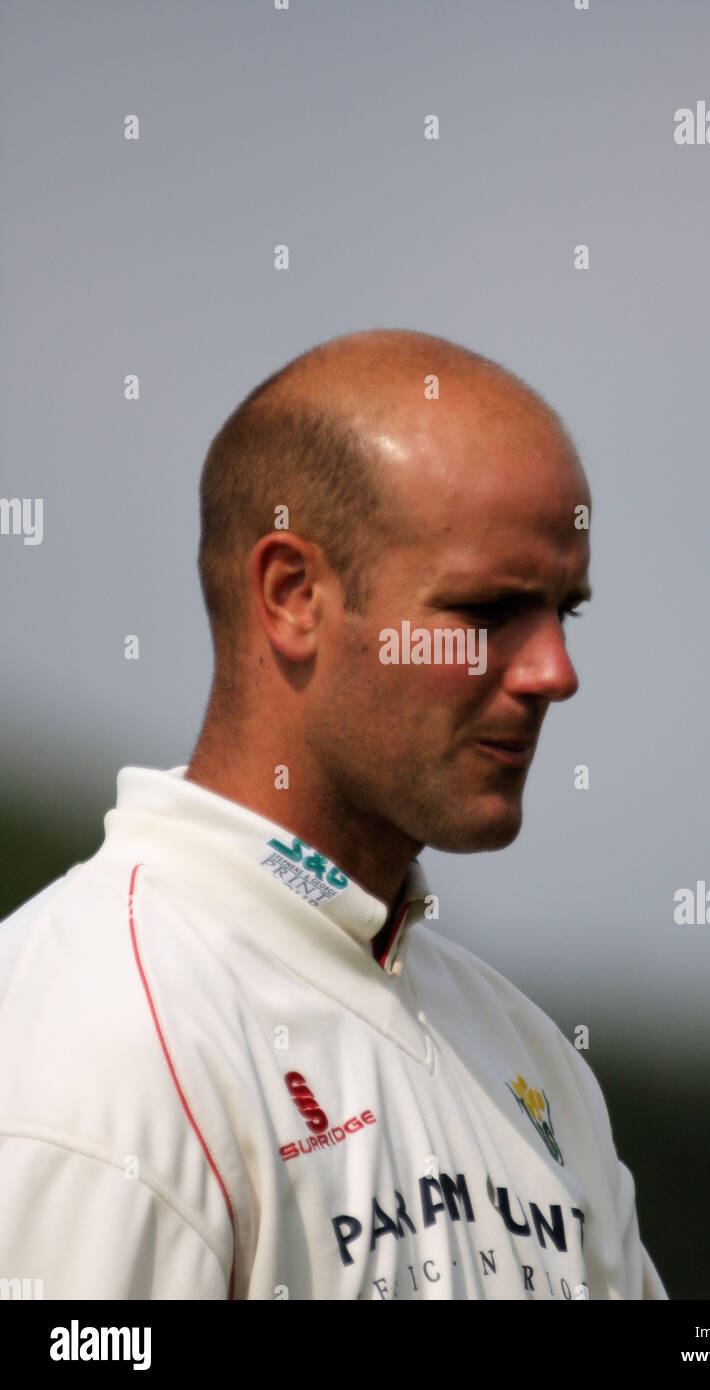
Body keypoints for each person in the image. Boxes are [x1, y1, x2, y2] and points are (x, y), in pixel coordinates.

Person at [0, 328, 666, 1300]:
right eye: (486, 612)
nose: (552, 673)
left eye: (564, 610)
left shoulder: (527, 1060)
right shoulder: (99, 1036)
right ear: (293, 595)